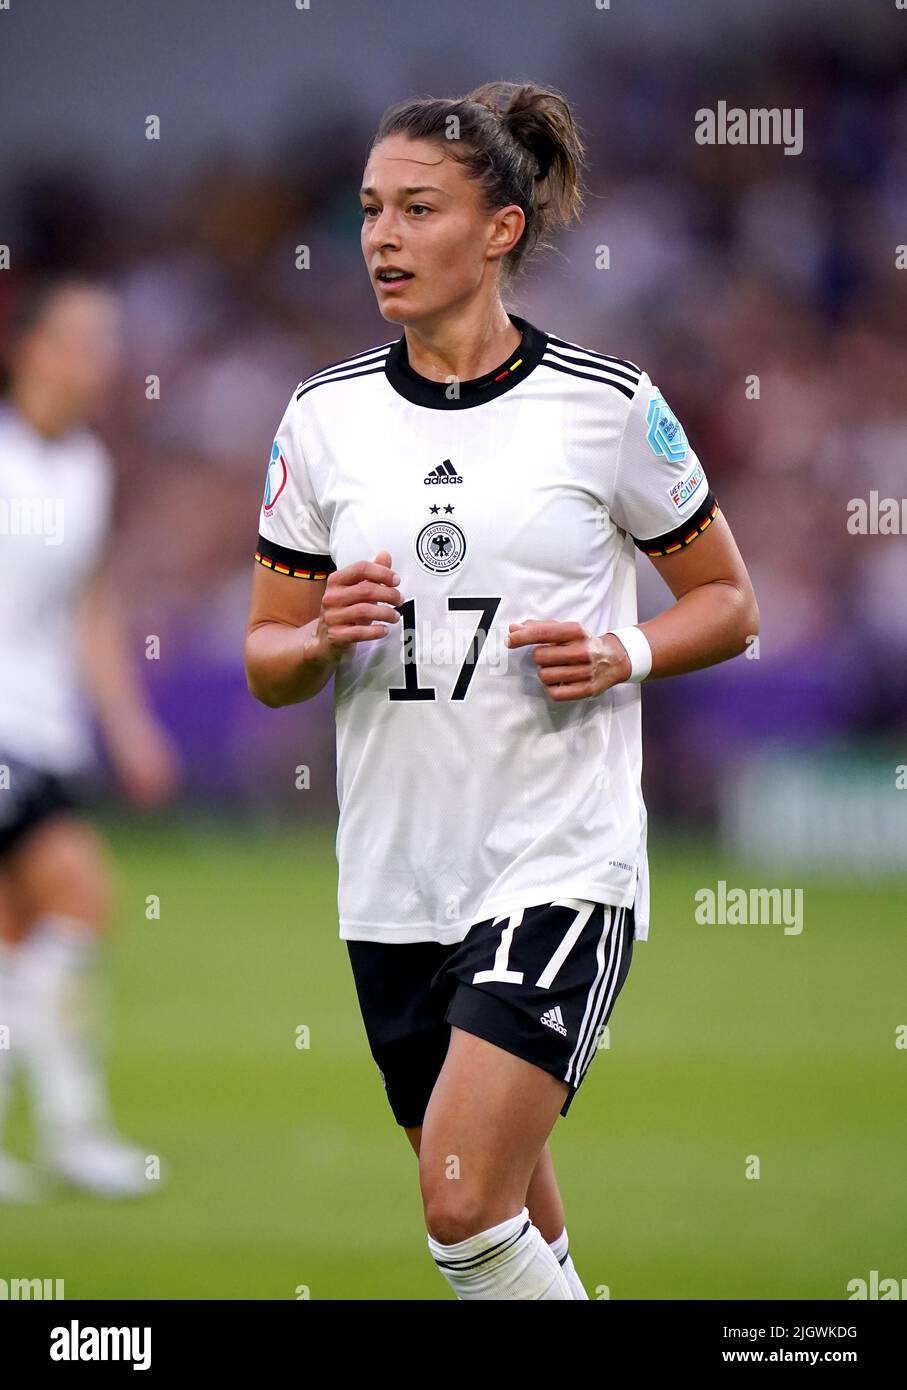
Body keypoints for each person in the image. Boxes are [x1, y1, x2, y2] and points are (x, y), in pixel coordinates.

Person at [244, 81, 759, 1299]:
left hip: (558, 862)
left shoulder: (605, 408)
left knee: (459, 1194)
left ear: (499, 230)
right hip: (394, 879)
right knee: (507, 1224)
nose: (381, 236)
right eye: (370, 209)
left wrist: (624, 652)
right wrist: (318, 637)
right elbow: (267, 653)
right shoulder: (321, 421)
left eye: (419, 208)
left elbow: (730, 602)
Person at [0, 275, 183, 1200]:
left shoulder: (85, 467)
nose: (96, 362)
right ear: (26, 347)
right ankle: (74, 1131)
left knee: (24, 932)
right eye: (77, 339)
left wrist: (129, 726)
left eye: (105, 343)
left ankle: (60, 1132)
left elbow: (90, 610)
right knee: (77, 896)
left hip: (46, 729)